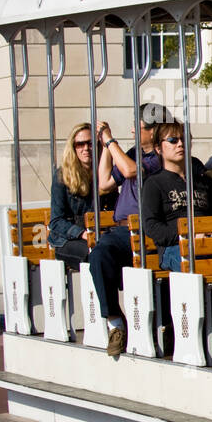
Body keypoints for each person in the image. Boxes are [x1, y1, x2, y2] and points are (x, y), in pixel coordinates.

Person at [87, 103, 167, 358]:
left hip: (144, 229)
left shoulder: (158, 158)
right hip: (122, 230)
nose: (133, 129)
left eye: (138, 126)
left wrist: (110, 141)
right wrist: (106, 146)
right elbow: (104, 184)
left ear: (153, 131)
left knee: (107, 255)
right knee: (99, 255)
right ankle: (115, 321)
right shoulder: (132, 152)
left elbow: (131, 171)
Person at [140, 119, 212, 273]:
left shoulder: (204, 181)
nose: (180, 144)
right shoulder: (153, 183)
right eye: (173, 140)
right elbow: (152, 227)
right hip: (174, 248)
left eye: (184, 139)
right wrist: (190, 233)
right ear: (158, 148)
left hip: (209, 244)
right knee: (193, 265)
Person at [49, 122, 115, 269]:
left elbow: (113, 210)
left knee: (114, 252)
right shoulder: (62, 176)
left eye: (91, 143)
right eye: (80, 144)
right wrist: (82, 234)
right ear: (73, 148)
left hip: (98, 236)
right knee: (96, 255)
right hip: (67, 240)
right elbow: (56, 221)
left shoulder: (104, 174)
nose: (86, 148)